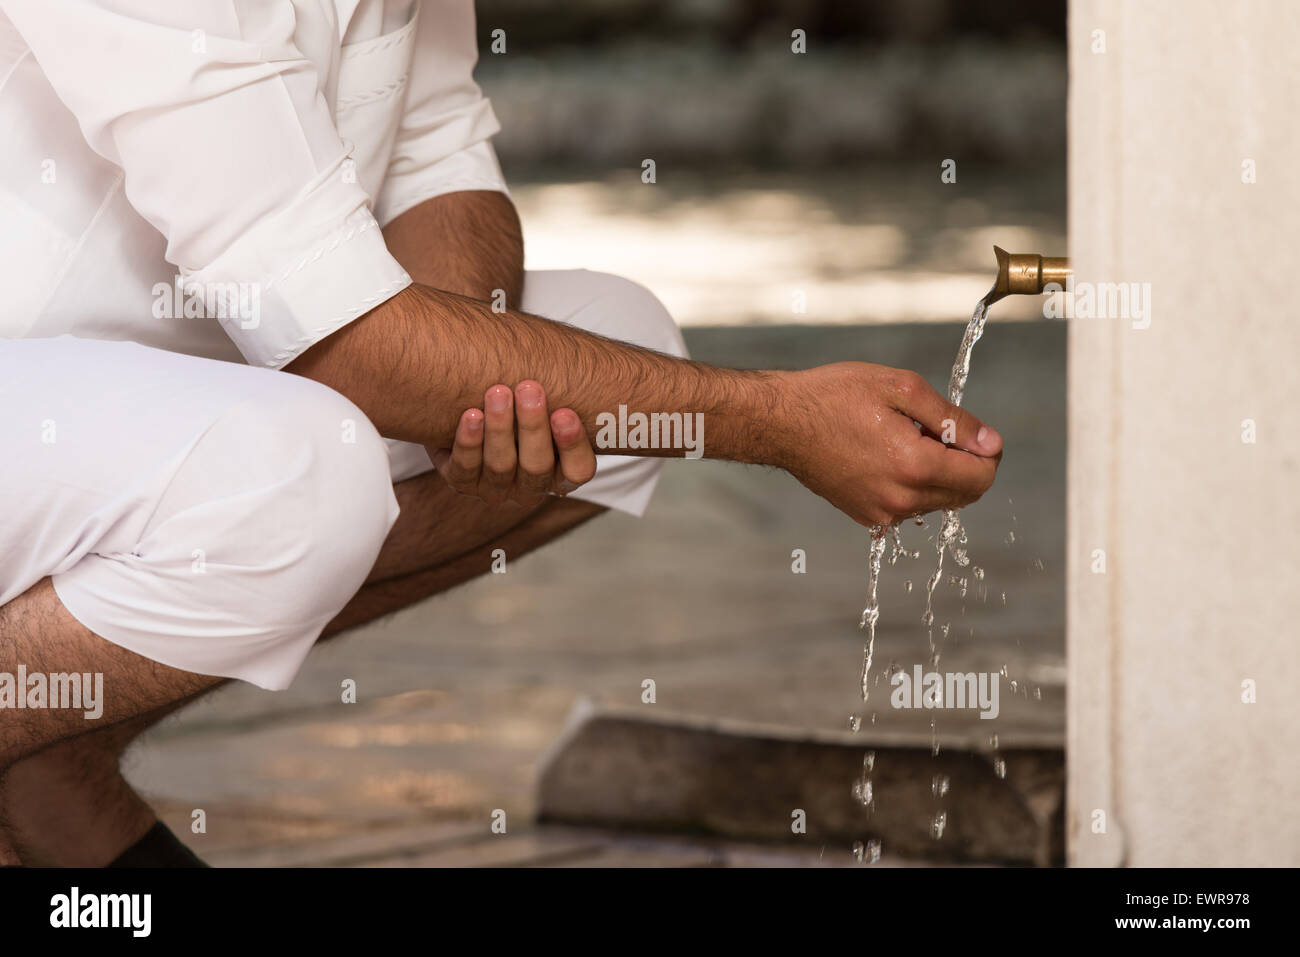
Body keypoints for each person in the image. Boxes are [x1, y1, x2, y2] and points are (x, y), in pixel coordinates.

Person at [0, 0, 1002, 866]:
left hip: (146, 389)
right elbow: (345, 343)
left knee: (619, 340)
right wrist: (779, 421)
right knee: (304, 472)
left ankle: (48, 755)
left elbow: (438, 163)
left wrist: (456, 390)